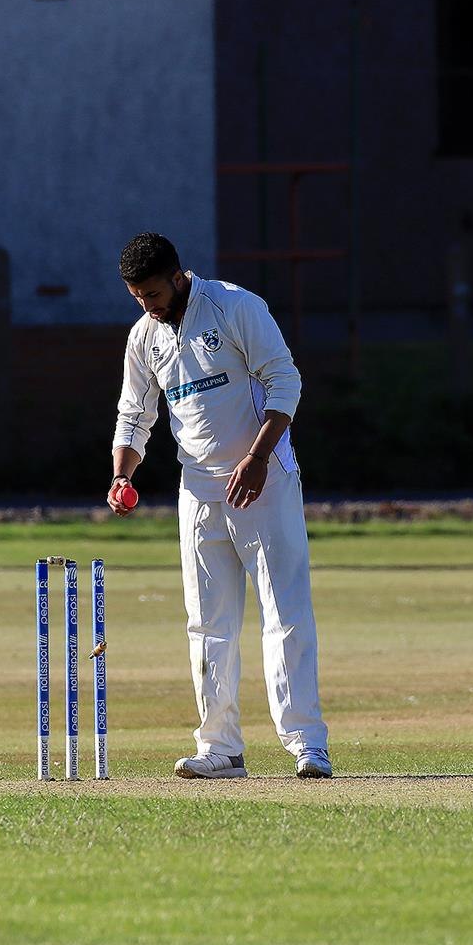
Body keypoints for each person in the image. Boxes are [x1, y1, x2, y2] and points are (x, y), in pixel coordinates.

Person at [107, 232, 331, 778]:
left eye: (154, 294)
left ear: (178, 277)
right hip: (200, 488)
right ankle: (222, 748)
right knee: (207, 622)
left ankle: (307, 744)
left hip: (264, 478)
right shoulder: (145, 336)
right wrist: (121, 475)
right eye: (138, 297)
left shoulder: (235, 306)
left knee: (284, 612)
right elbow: (135, 415)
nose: (149, 306)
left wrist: (256, 459)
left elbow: (286, 383)